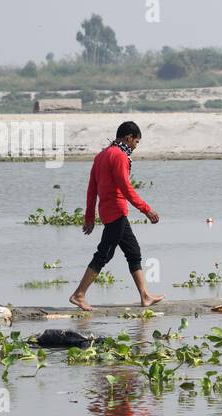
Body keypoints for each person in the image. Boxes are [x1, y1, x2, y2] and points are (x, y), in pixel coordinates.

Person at [68, 121, 163, 311]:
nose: (136, 146)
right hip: (116, 211)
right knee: (104, 254)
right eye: (136, 142)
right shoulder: (119, 156)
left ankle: (145, 296)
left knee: (133, 252)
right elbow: (126, 188)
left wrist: (89, 216)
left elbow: (91, 189)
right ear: (129, 138)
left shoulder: (101, 155)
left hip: (107, 211)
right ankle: (79, 294)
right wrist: (146, 209)